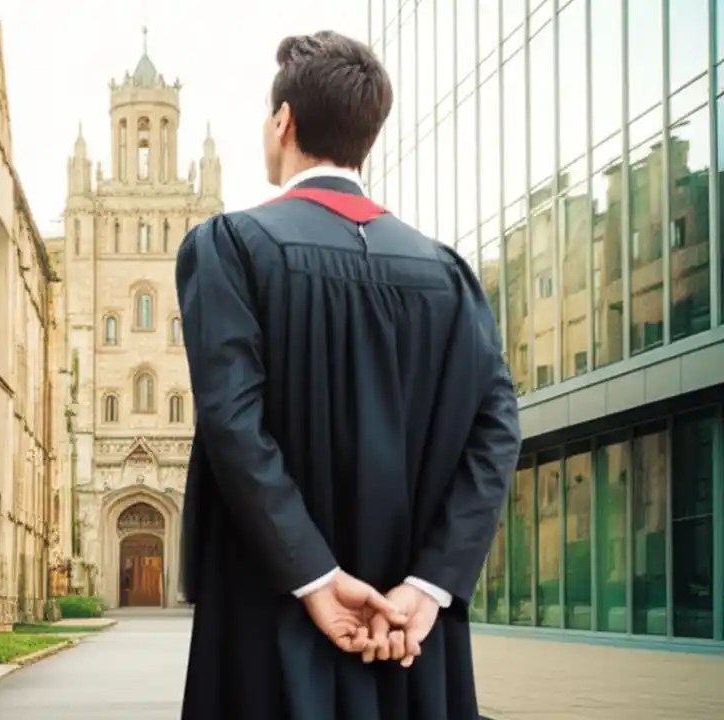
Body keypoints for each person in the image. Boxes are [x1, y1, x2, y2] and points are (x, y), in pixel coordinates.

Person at [176, 30, 521, 719]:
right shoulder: (448, 276)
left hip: (272, 622)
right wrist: (430, 582)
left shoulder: (232, 248)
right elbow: (498, 429)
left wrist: (313, 575)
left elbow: (233, 424)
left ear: (284, 122)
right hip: (408, 633)